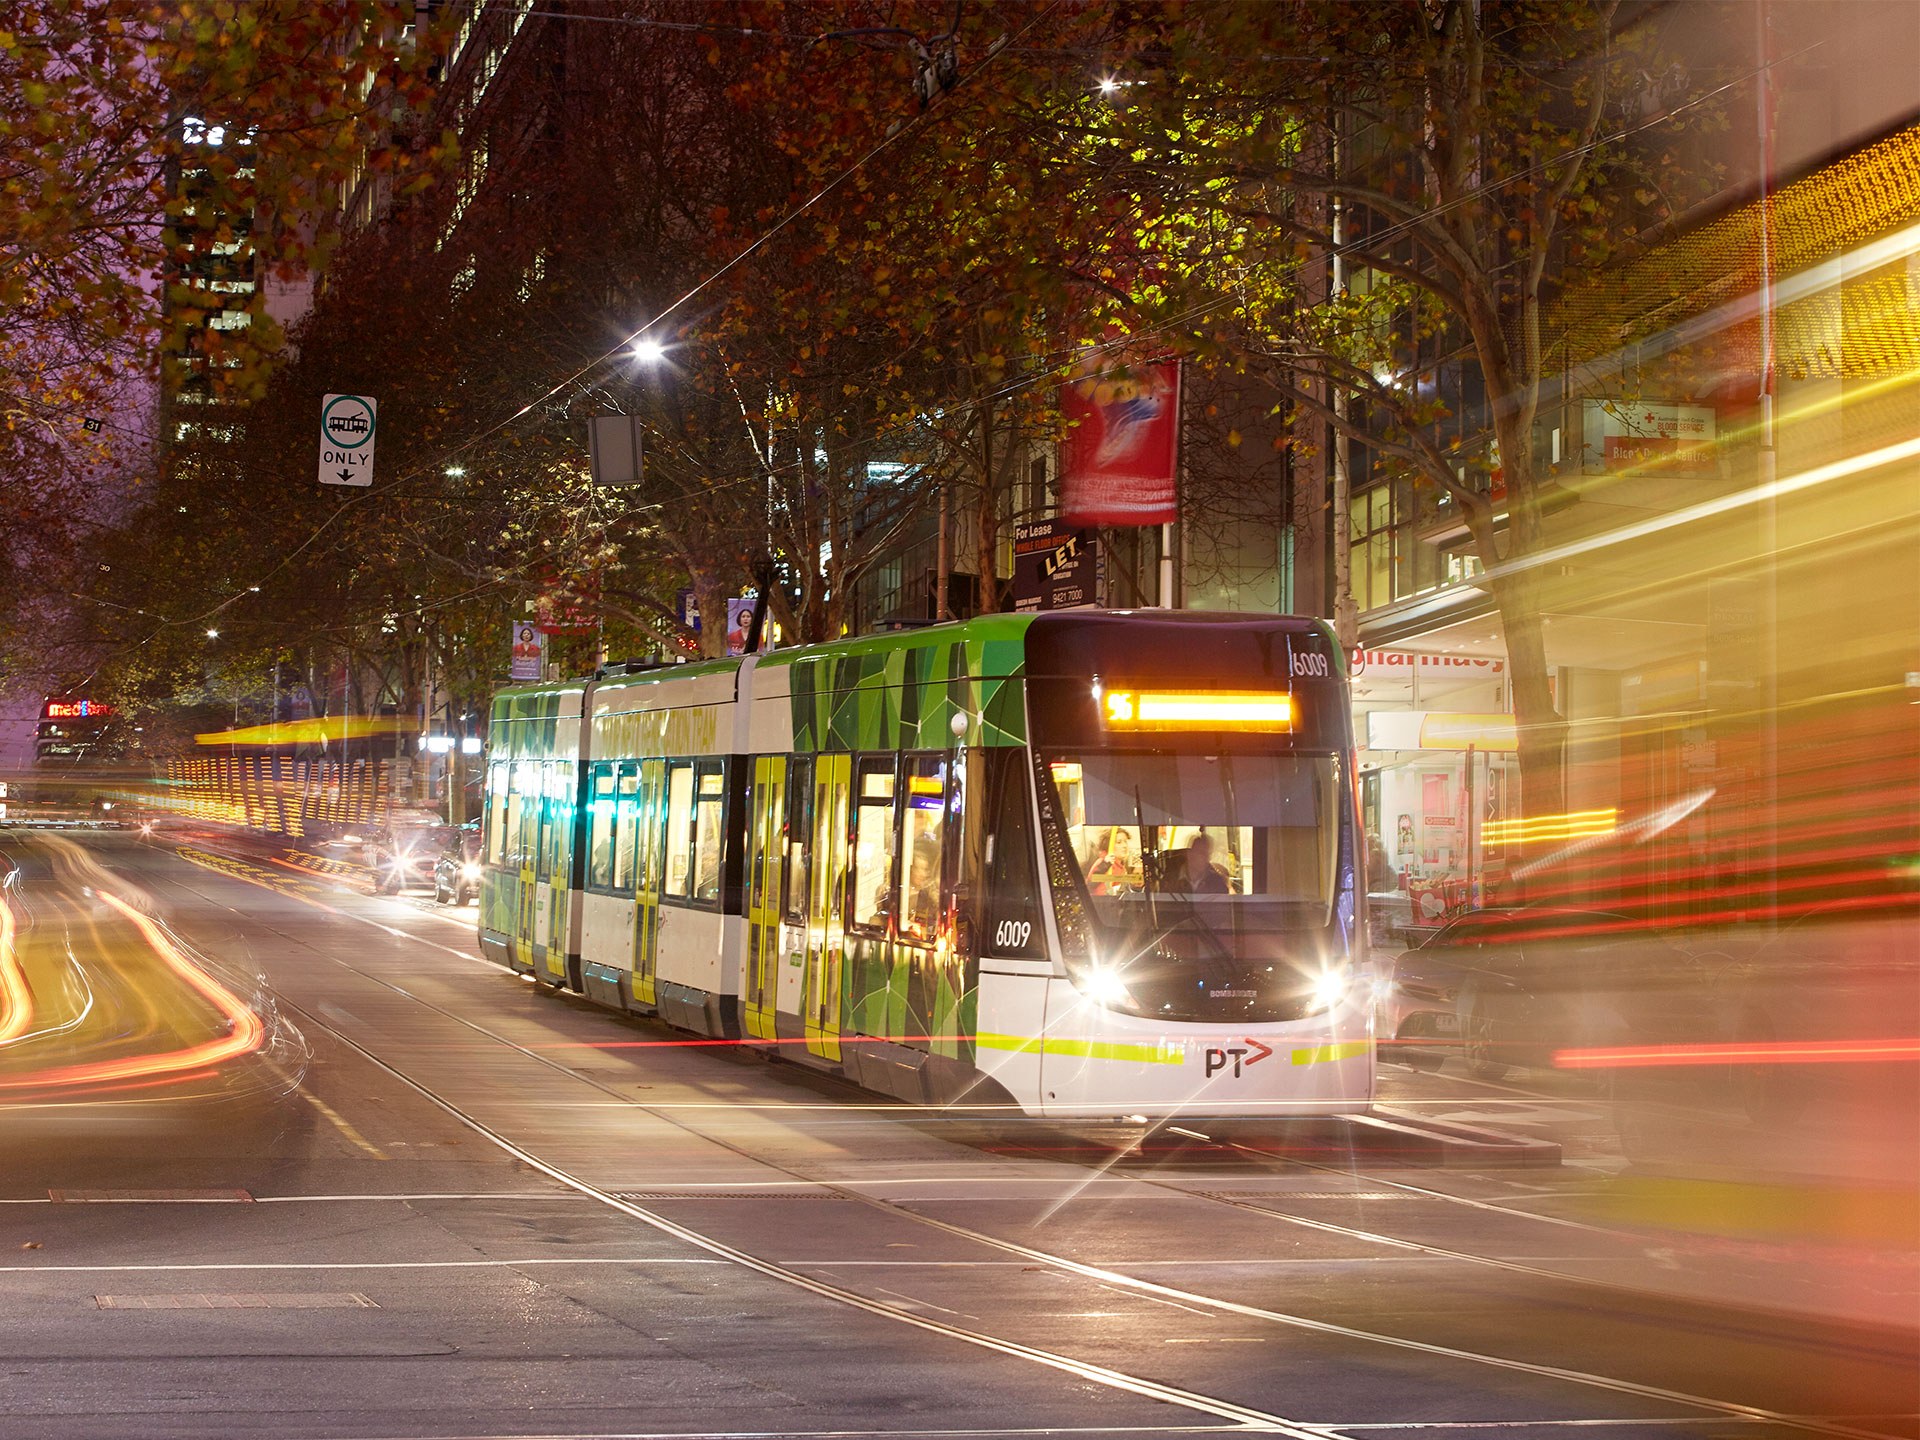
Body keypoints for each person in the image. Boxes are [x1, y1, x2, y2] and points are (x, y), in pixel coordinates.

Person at [1085, 827, 1139, 896]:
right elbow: (1090, 885)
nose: (1125, 846)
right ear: (1109, 845)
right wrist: (1104, 865)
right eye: (1119, 842)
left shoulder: (1121, 866)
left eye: (1125, 842)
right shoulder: (1103, 863)